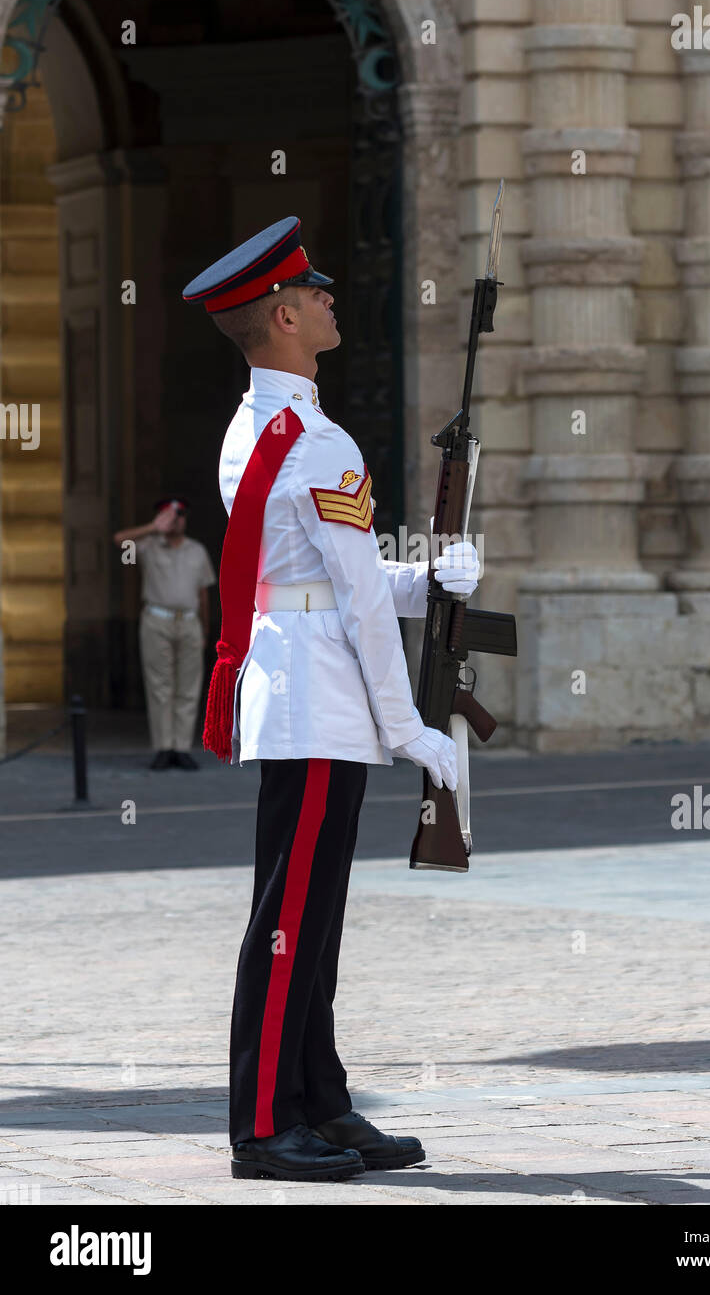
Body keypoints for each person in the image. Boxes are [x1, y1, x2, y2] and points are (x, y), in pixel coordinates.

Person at [182, 216, 481, 1182]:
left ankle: (320, 1099)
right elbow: (350, 595)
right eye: (313, 292)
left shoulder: (267, 429)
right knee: (289, 918)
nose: (328, 300)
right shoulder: (315, 440)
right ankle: (264, 1124)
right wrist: (410, 728)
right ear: (281, 313)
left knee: (309, 917)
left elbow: (331, 575)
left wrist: (433, 574)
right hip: (321, 698)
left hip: (304, 683)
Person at [113, 497, 216, 770]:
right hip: (157, 620)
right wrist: (153, 528)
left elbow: (203, 594)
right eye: (171, 515)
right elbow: (119, 540)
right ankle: (163, 746)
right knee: (160, 688)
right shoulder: (147, 546)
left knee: (188, 687)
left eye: (180, 515)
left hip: (190, 621)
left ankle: (181, 747)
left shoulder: (197, 550)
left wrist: (205, 629)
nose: (176, 520)